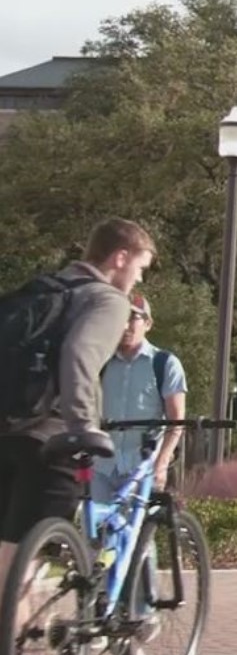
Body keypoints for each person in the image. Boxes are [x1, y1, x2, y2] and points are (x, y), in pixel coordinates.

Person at [0, 219, 153, 596]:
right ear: (120, 257)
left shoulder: (40, 290)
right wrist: (84, 427)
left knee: (6, 551)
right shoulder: (107, 300)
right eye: (140, 268)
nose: (138, 280)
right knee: (23, 565)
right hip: (46, 440)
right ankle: (13, 648)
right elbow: (80, 354)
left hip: (6, 428)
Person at [92, 292, 187, 501]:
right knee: (94, 528)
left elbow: (176, 420)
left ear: (148, 324)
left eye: (133, 318)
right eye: (120, 318)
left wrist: (161, 464)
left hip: (142, 467)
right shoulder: (102, 363)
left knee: (134, 531)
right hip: (103, 466)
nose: (125, 325)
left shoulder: (164, 364)